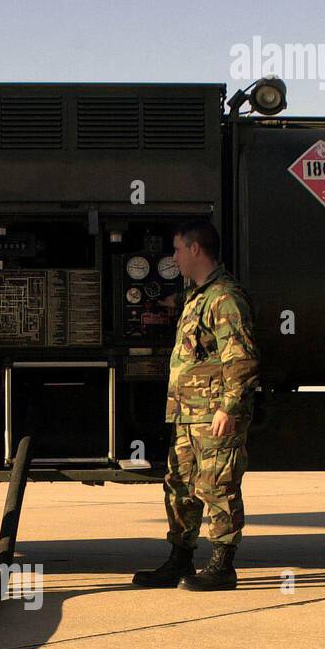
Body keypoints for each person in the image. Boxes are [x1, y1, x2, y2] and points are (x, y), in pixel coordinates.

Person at [133, 220, 260, 591]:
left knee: (218, 484)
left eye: (176, 249)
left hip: (214, 413)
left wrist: (229, 408)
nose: (173, 257)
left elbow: (242, 358)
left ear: (194, 250)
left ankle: (222, 564)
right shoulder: (198, 295)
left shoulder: (225, 298)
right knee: (180, 485)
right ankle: (180, 558)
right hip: (189, 413)